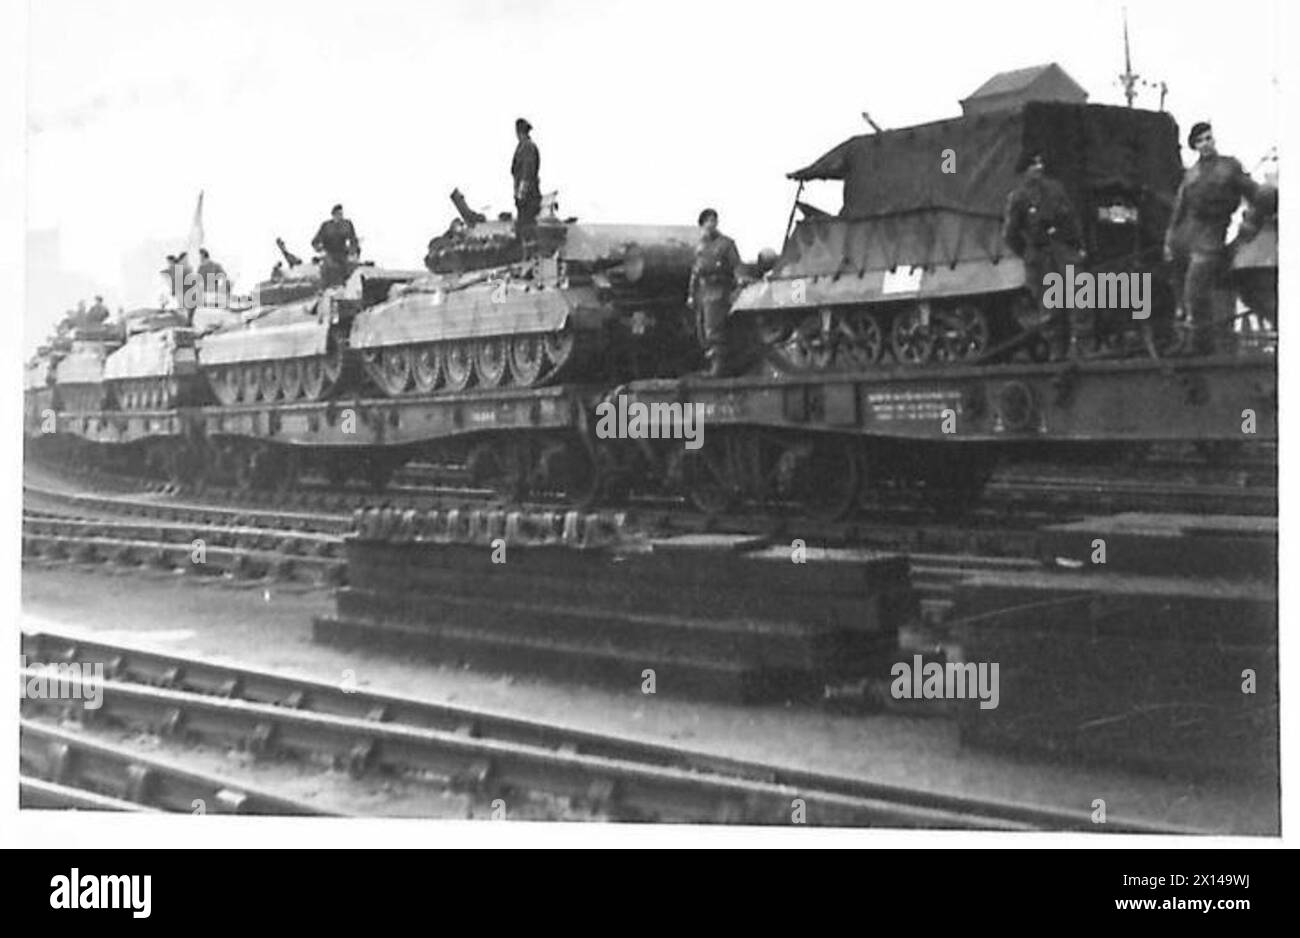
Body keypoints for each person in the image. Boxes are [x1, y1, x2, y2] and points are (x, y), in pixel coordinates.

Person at [1163, 121, 1260, 354]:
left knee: (1194, 289)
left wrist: (1249, 226)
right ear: (1195, 146)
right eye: (1200, 140)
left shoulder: (1229, 168)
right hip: (1185, 237)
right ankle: (1187, 340)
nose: (1206, 143)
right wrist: (1169, 241)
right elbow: (1179, 209)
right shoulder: (1191, 175)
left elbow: (1256, 194)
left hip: (1211, 237)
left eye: (1209, 138)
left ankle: (1199, 342)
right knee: (1181, 294)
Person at [1002, 152, 1085, 361]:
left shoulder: (1055, 189)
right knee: (1051, 304)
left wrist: (1077, 245)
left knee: (1079, 296)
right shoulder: (1018, 197)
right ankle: (1057, 349)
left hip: (1062, 250)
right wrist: (1029, 252)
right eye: (1033, 165)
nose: (1038, 168)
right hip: (1040, 255)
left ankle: (1083, 345)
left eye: (1039, 163)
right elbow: (1011, 234)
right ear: (1024, 172)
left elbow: (1072, 219)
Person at [688, 208, 741, 377]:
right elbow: (695, 272)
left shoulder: (726, 244)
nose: (711, 224)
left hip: (719, 289)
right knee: (703, 329)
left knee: (715, 329)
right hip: (703, 290)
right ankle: (712, 362)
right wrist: (691, 294)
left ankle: (719, 367)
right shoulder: (700, 247)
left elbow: (736, 266)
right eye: (707, 221)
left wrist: (739, 284)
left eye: (713, 220)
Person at [312, 204, 361, 287]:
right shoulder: (326, 226)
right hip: (329, 253)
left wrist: (353, 251)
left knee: (351, 267)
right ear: (333, 215)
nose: (340, 216)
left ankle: (347, 287)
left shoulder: (347, 224)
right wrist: (321, 250)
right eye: (337, 214)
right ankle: (325, 289)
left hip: (343, 252)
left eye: (341, 214)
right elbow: (315, 242)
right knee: (329, 269)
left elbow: (353, 240)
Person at [511, 118, 541, 246]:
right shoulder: (524, 147)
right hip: (527, 196)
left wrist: (521, 194)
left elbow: (526, 173)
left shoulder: (527, 147)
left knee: (525, 229)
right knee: (524, 228)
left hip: (528, 197)